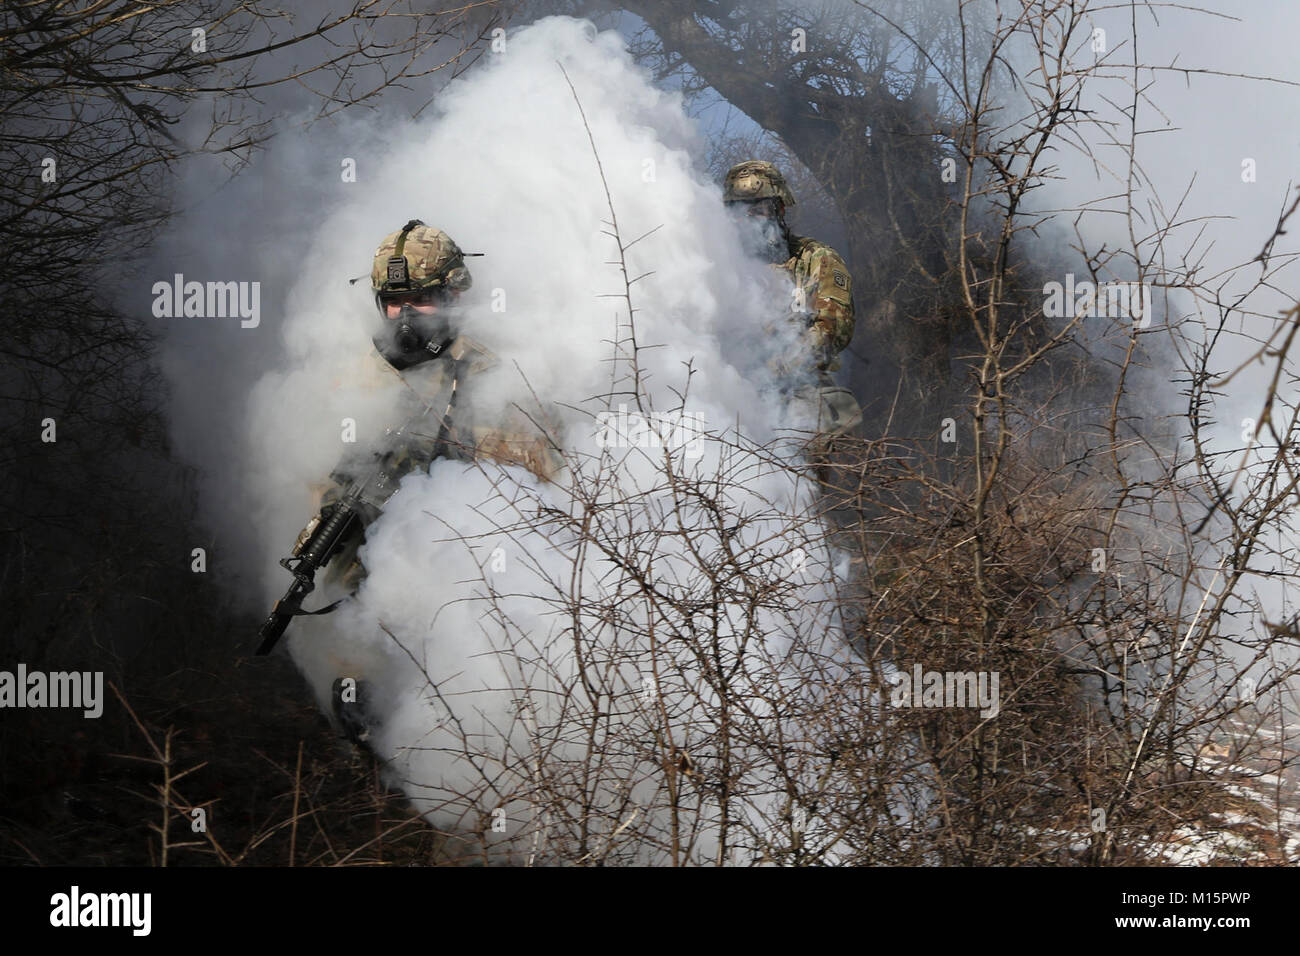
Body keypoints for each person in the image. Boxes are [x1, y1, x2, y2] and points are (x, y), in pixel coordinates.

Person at [288, 219, 562, 743]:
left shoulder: (495, 380)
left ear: (454, 293)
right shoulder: (354, 379)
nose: (407, 315)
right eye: (394, 301)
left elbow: (541, 506)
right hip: (381, 602)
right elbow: (323, 489)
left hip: (483, 600)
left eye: (421, 298)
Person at [722, 161, 862, 453]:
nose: (749, 219)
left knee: (811, 425)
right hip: (734, 392)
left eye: (758, 208)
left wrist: (780, 364)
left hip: (800, 389)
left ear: (779, 210)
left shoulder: (814, 259)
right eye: (739, 210)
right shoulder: (720, 262)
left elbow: (834, 327)